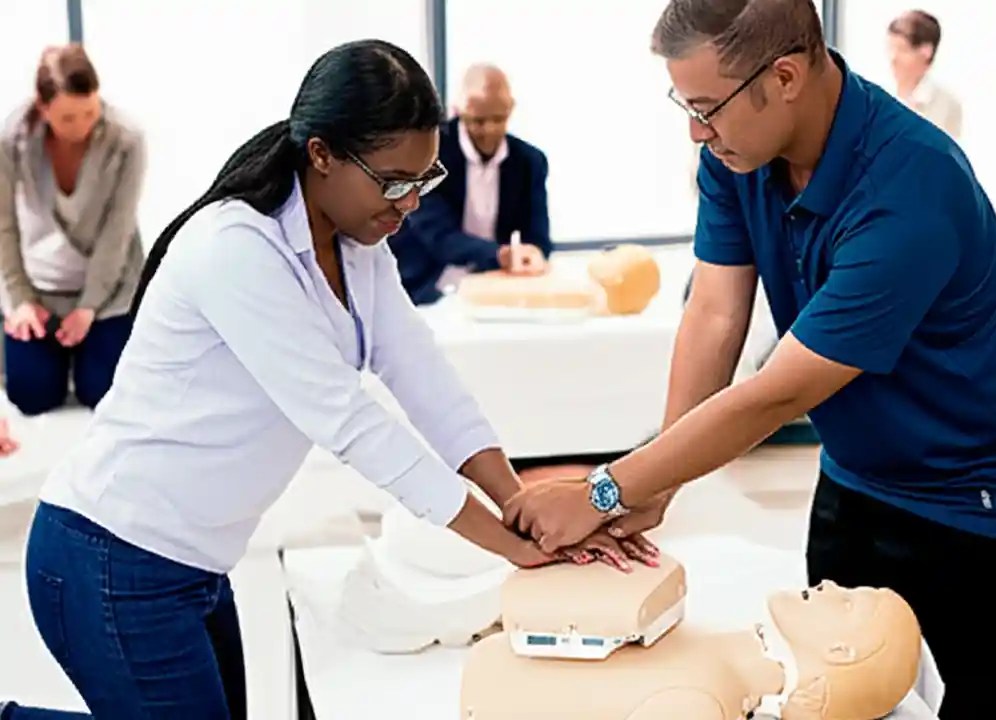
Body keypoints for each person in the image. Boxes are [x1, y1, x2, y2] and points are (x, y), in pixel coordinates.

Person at [0, 40, 652, 720]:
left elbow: (421, 373)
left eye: (423, 181)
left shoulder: (357, 242)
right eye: (394, 181)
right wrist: (510, 545)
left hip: (191, 565)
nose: (410, 204)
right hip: (110, 556)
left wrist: (518, 502)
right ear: (322, 155)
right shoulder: (236, 248)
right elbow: (348, 421)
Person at [503, 1, 996, 717]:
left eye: (708, 106)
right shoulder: (738, 153)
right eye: (684, 103)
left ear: (783, 76)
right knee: (823, 693)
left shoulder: (911, 188)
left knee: (969, 704)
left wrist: (605, 489)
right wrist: (658, 485)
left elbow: (779, 392)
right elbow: (715, 313)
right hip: (859, 472)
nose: (695, 129)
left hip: (984, 496)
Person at [0, 44, 143, 415]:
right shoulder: (11, 139)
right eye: (67, 118)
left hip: (108, 292)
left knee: (102, 393)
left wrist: (88, 308)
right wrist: (21, 300)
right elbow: (4, 225)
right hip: (40, 288)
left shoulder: (126, 139)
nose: (81, 127)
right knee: (31, 395)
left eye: (90, 112)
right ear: (42, 107)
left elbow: (119, 230)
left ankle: (90, 341)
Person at [387, 63, 553, 305]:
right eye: (478, 121)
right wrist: (501, 255)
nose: (490, 130)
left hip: (494, 286)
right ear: (458, 111)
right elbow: (438, 235)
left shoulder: (529, 162)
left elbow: (538, 237)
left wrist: (533, 255)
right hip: (425, 286)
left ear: (511, 109)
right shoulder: (428, 154)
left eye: (499, 119)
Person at [886, 10, 962, 140]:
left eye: (902, 49)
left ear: (926, 52)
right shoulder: (879, 95)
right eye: (891, 48)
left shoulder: (946, 105)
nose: (893, 58)